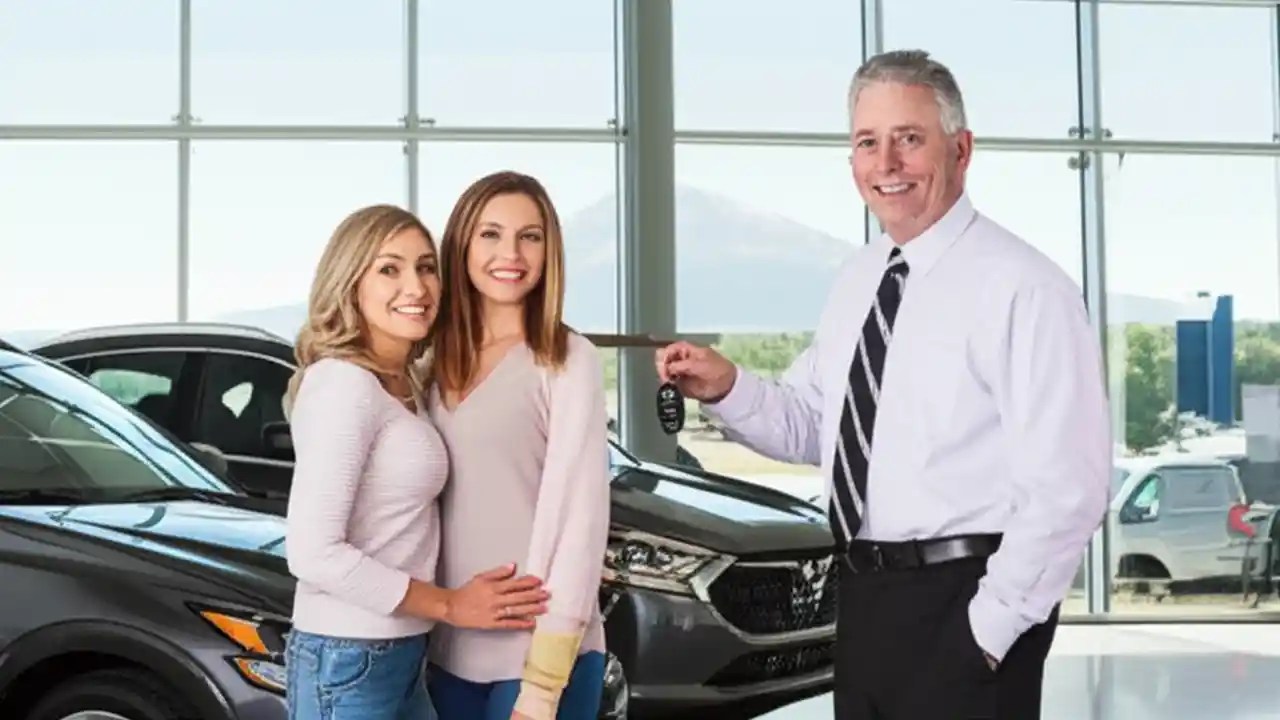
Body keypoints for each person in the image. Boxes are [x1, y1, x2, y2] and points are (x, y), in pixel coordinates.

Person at [655, 50, 1111, 719]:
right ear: (851, 164)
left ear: (962, 149)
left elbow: (1068, 487)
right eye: (869, 142)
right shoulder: (860, 280)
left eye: (909, 139)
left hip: (966, 602)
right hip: (865, 604)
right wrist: (727, 387)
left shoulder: (1025, 289)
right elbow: (816, 425)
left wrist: (987, 632)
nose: (887, 163)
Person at [284, 204, 552, 720]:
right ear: (350, 283)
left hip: (400, 653)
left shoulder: (407, 384)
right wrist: (451, 604)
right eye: (390, 269)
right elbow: (312, 552)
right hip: (347, 656)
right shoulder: (342, 385)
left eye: (426, 267)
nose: (417, 286)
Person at [423, 171, 612, 720]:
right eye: (491, 234)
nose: (511, 253)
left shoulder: (566, 359)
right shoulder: (428, 360)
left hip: (540, 660)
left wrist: (543, 689)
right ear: (461, 243)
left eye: (529, 236)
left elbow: (581, 526)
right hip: (444, 651)